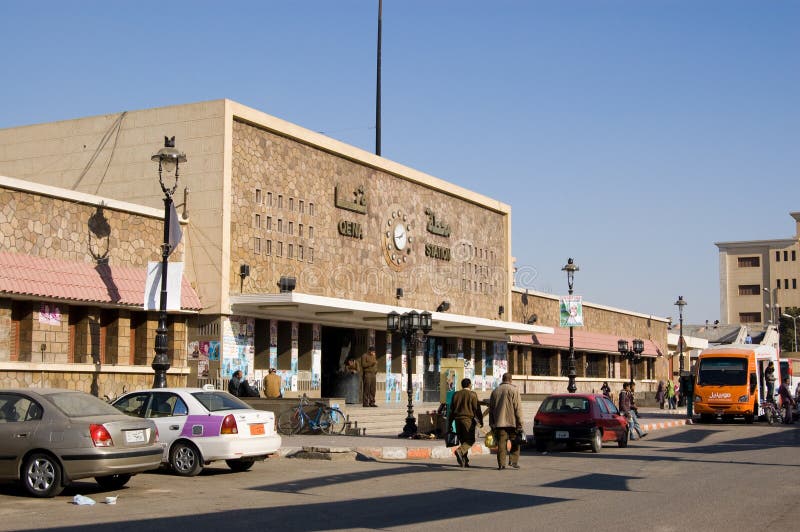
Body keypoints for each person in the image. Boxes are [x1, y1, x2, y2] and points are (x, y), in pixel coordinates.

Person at [489, 373, 524, 470]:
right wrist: (520, 423)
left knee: (501, 444)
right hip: (512, 423)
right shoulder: (514, 390)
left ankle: (501, 464)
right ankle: (513, 461)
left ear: (502, 379)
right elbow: (518, 408)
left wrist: (491, 423)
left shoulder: (495, 391)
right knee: (516, 442)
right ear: (511, 380)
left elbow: (491, 409)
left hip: (499, 423)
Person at [447, 378, 483, 468]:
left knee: (463, 441)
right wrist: (480, 421)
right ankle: (459, 451)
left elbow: (451, 410)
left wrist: (450, 423)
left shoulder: (456, 394)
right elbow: (477, 409)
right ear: (469, 385)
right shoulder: (472, 394)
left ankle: (464, 461)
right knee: (470, 440)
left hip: (457, 421)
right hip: (468, 421)